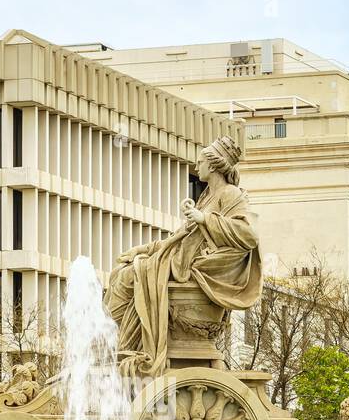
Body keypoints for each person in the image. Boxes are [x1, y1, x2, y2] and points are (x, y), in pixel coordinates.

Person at [105, 136, 261, 376]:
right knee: (121, 273)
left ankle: (124, 344)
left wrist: (204, 218)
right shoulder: (206, 197)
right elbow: (178, 239)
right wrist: (142, 250)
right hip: (179, 260)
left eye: (200, 162)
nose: (196, 167)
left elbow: (248, 236)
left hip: (196, 269)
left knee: (130, 277)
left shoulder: (230, 194)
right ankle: (117, 344)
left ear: (214, 164)